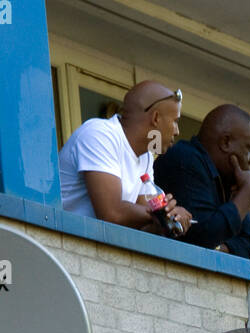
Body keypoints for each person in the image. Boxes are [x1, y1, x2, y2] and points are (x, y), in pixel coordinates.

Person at [58, 80, 192, 235]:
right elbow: (111, 212)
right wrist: (162, 214)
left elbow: (143, 223)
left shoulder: (146, 156)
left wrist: (169, 218)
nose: (177, 132)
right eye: (175, 121)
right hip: (59, 243)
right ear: (156, 118)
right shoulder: (101, 134)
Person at [153, 104, 250, 257]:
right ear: (225, 142)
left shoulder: (228, 177)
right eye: (249, 149)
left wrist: (217, 247)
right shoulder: (185, 159)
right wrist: (246, 195)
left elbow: (246, 244)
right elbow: (203, 238)